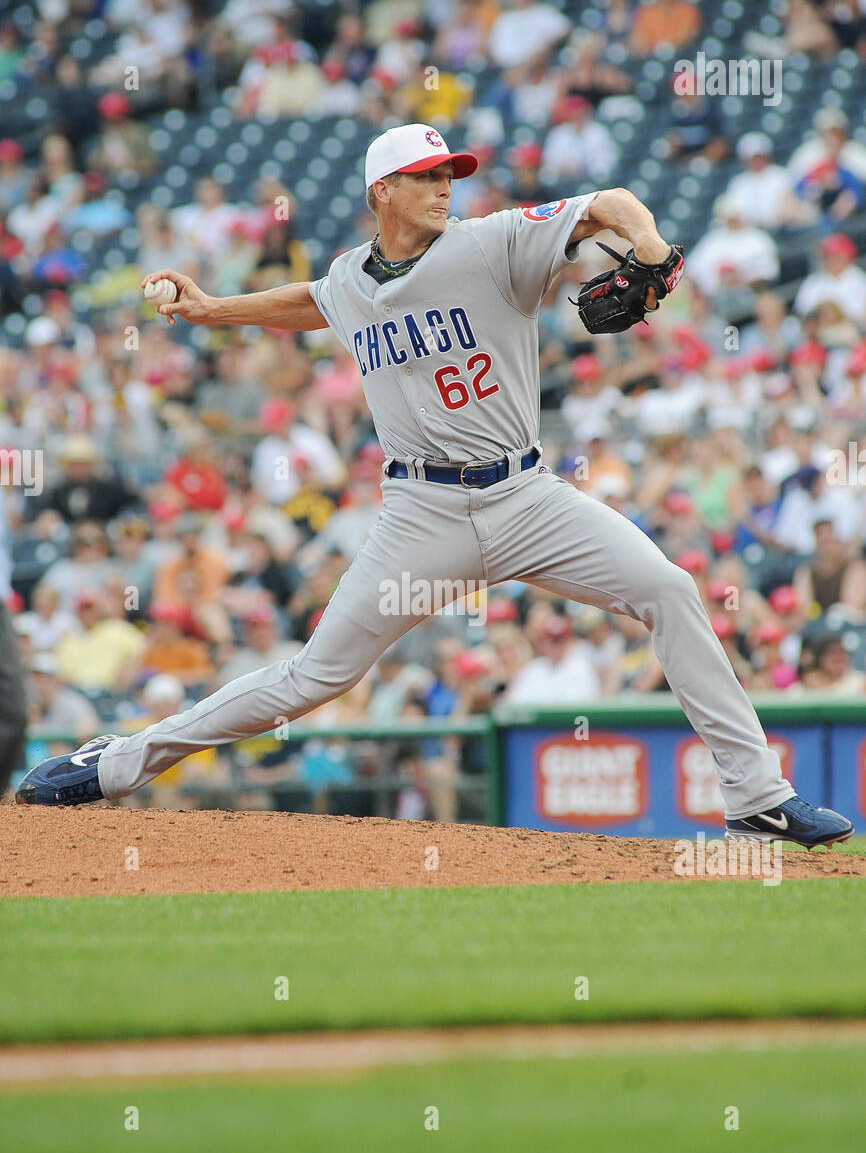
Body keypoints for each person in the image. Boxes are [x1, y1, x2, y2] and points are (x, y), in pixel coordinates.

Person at [17, 123, 853, 849]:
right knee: (315, 678)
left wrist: (656, 251)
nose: (446, 187)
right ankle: (117, 761)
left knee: (669, 589)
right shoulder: (349, 277)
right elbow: (312, 302)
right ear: (383, 191)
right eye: (428, 177)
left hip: (529, 500)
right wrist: (212, 310)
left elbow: (610, 202)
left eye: (452, 173)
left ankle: (758, 800)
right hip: (422, 516)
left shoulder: (491, 243)